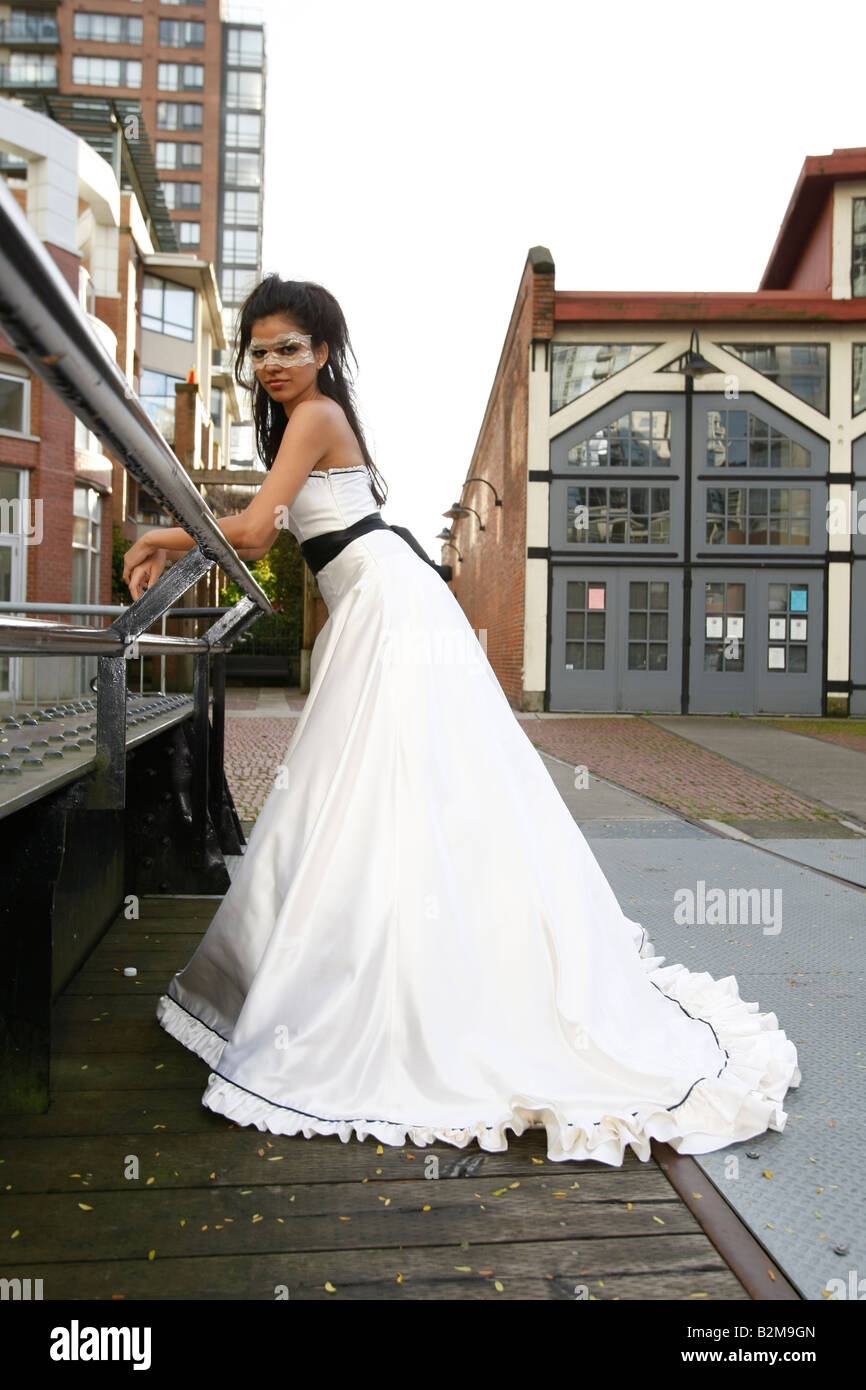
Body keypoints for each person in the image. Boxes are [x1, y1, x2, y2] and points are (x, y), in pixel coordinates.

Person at [124, 275, 801, 1165]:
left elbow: (252, 532)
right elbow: (277, 527)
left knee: (383, 785)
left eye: (288, 346)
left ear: (322, 352)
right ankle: (365, 966)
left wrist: (158, 536)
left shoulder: (317, 415)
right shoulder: (311, 423)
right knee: (382, 789)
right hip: (379, 604)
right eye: (258, 350)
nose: (272, 363)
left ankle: (394, 987)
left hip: (388, 609)